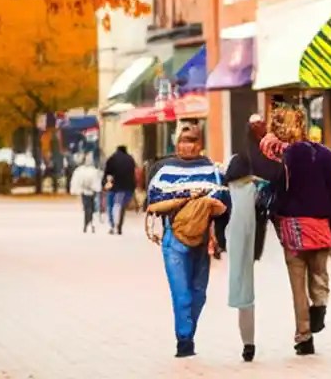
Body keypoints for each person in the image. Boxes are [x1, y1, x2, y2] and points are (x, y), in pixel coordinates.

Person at [263, 104, 331, 356]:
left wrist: (274, 213)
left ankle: (304, 336)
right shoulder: (325, 154)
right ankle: (319, 306)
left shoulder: (278, 158)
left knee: (297, 285)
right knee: (319, 274)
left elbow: (276, 193)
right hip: (320, 226)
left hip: (292, 227)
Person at [146, 126, 230, 358]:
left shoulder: (212, 170)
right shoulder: (163, 171)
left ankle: (188, 332)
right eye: (184, 141)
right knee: (181, 294)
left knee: (199, 293)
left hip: (202, 240)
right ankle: (184, 341)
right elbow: (153, 199)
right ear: (176, 144)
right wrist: (186, 198)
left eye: (193, 141)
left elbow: (224, 201)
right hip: (174, 239)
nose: (188, 145)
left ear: (200, 143)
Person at [222, 114, 284, 362]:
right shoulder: (273, 163)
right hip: (265, 233)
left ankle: (249, 343)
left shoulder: (238, 162)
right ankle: (250, 343)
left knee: (243, 286)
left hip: (245, 232)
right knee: (245, 287)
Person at [103, 144, 137, 235]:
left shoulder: (112, 158)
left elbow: (107, 173)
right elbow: (133, 174)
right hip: (127, 187)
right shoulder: (130, 159)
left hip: (114, 187)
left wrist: (104, 184)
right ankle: (119, 226)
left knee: (111, 206)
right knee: (121, 207)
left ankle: (113, 225)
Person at [70, 155, 104, 233]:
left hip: (84, 192)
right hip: (92, 192)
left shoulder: (80, 171)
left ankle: (87, 223)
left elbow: (76, 181)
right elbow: (97, 181)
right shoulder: (94, 171)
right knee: (91, 207)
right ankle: (90, 222)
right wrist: (97, 189)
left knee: (87, 207)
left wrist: (77, 190)